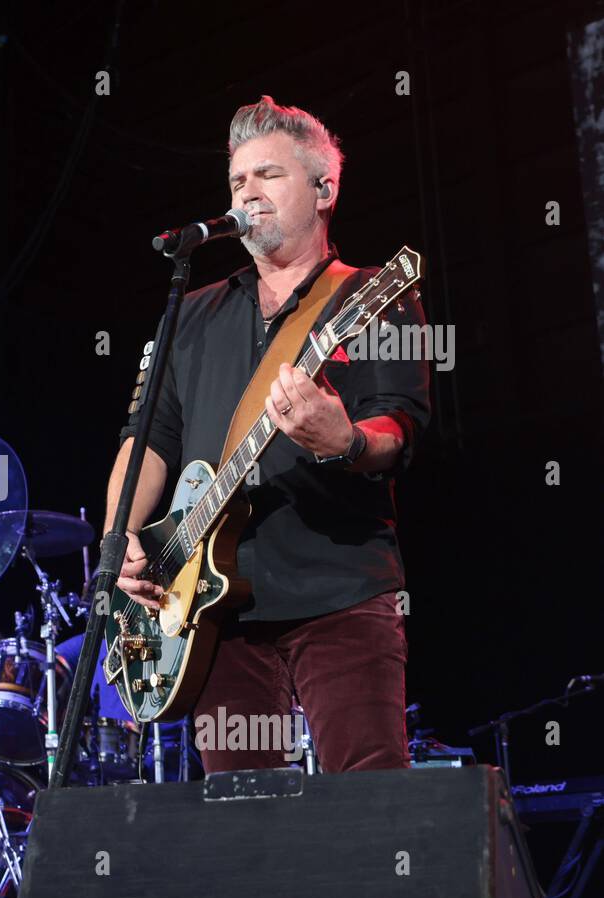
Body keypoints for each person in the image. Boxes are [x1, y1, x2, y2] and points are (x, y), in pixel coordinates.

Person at [105, 96, 431, 774]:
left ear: (324, 188)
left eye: (268, 176)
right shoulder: (191, 313)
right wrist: (120, 547)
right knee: (241, 823)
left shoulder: (374, 294)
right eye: (236, 181)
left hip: (338, 590)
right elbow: (148, 442)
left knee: (367, 803)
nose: (247, 191)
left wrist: (343, 439)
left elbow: (398, 430)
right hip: (212, 611)